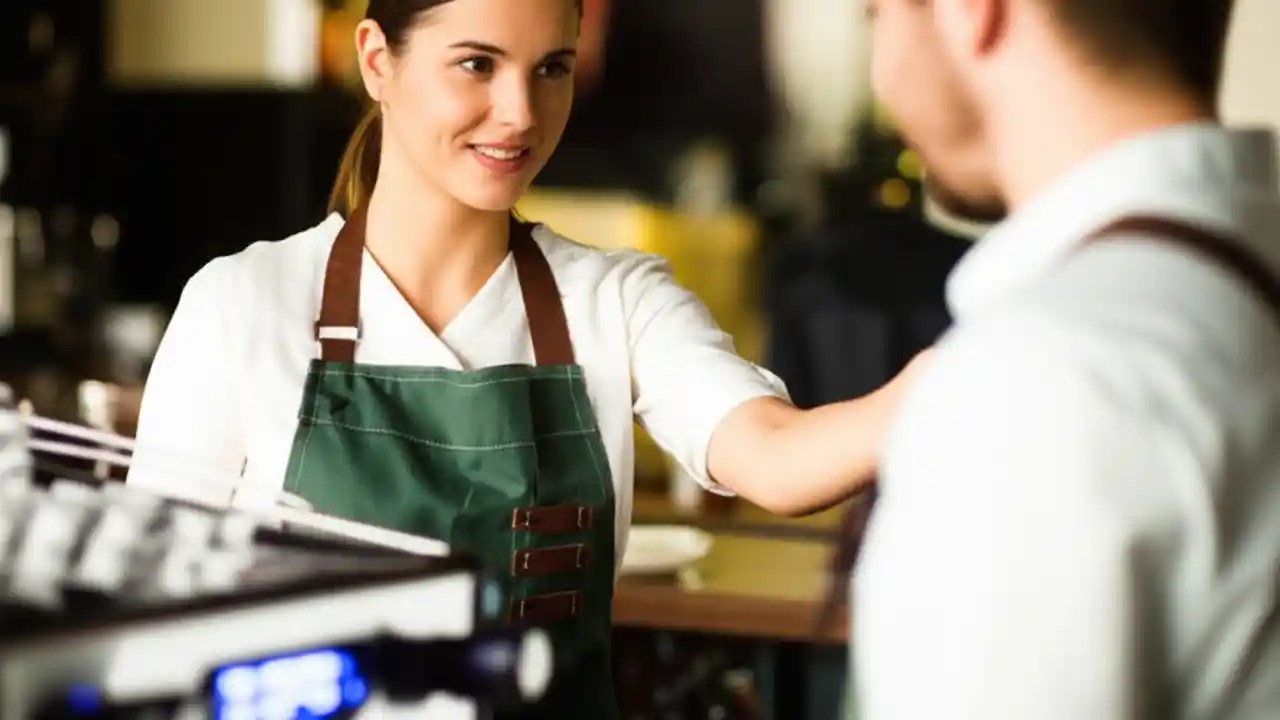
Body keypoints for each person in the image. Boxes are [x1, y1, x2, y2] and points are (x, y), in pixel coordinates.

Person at [125, 0, 920, 717]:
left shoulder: (613, 300)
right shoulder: (242, 303)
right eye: (477, 64)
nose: (519, 114)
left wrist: (960, 375)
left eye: (552, 69)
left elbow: (778, 459)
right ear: (377, 61)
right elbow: (145, 616)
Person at [850, 0, 1280, 718]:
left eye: (876, 14)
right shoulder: (1245, 265)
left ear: (969, 12)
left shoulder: (1037, 383)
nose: (881, 73)